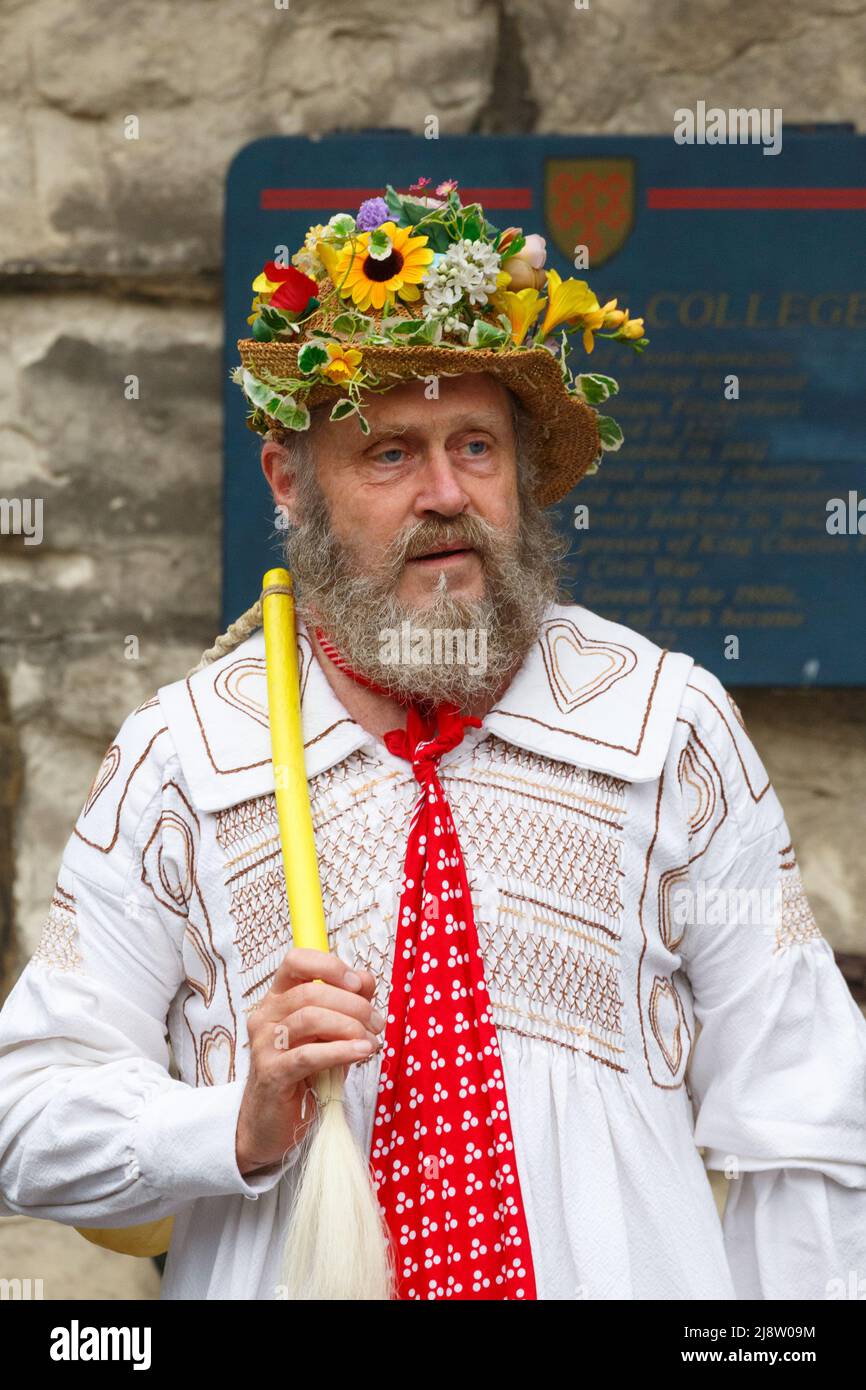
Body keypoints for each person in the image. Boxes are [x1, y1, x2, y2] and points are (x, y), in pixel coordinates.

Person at [0, 181, 864, 1301]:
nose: (445, 494)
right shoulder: (182, 758)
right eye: (390, 454)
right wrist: (236, 1123)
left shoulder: (665, 724)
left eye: (475, 446)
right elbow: (26, 1114)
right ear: (289, 484)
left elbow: (808, 1119)